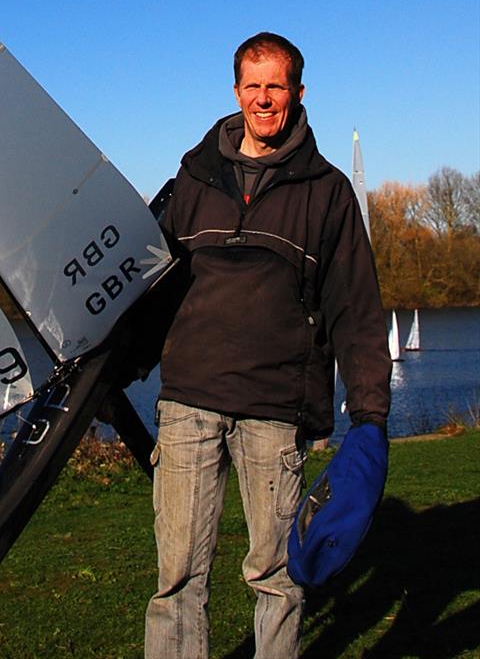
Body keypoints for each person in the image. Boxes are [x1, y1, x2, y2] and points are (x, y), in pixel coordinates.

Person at [143, 32, 391, 659]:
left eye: (274, 86)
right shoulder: (192, 178)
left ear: (297, 94)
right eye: (251, 86)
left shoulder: (328, 193)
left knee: (277, 580)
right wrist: (100, 364)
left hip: (275, 411)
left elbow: (357, 312)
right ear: (235, 93)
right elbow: (144, 289)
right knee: (177, 582)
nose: (262, 99)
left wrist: (370, 417)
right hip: (189, 403)